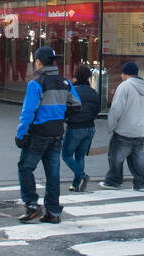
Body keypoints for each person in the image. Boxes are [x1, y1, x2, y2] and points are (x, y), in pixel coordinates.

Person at [15, 46, 79, 223]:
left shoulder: (36, 83)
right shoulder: (65, 83)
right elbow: (76, 104)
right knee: (53, 173)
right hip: (57, 132)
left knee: (26, 167)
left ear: (38, 62)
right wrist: (61, 116)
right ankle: (53, 212)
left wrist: (20, 134)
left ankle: (32, 205)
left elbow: (28, 112)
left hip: (38, 133)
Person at [103, 61, 144, 191]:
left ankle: (113, 181)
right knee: (137, 159)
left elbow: (116, 109)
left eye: (122, 73)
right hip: (140, 130)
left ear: (125, 74)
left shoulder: (124, 86)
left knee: (116, 157)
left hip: (123, 130)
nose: (121, 76)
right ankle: (140, 183)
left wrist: (111, 126)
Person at [62, 64, 100, 192]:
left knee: (66, 155)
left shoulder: (73, 91)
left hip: (75, 127)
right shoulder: (94, 92)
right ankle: (76, 184)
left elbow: (66, 109)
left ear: (76, 77)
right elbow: (97, 110)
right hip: (90, 127)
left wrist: (66, 119)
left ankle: (82, 176)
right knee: (80, 156)